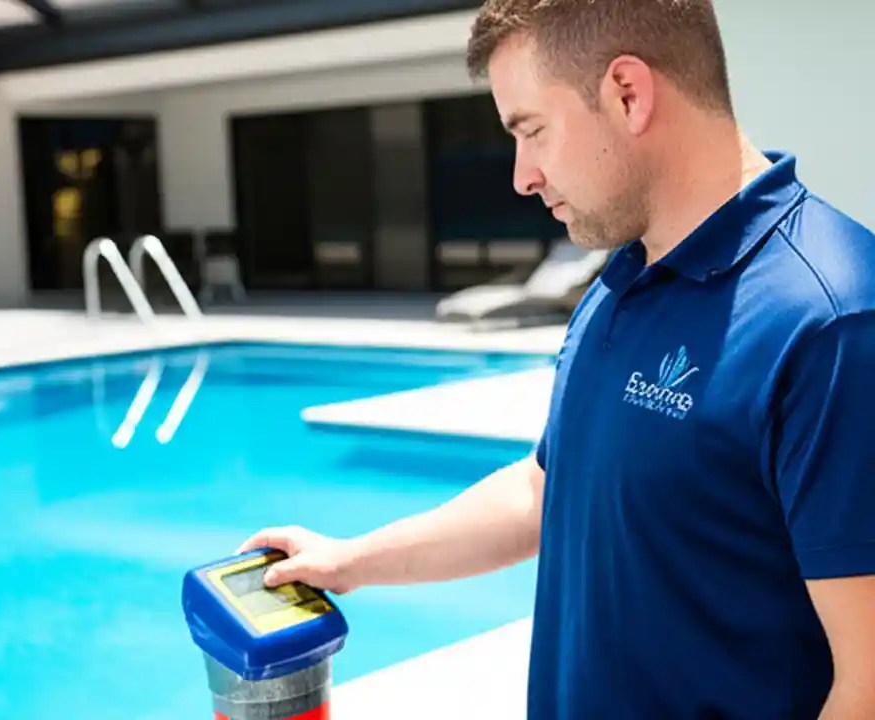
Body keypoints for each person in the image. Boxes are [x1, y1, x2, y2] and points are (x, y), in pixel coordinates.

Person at [238, 1, 875, 717]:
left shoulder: (832, 322)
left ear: (627, 94)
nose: (523, 176)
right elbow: (544, 492)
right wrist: (350, 561)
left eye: (532, 130)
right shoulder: (620, 282)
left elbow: (869, 683)